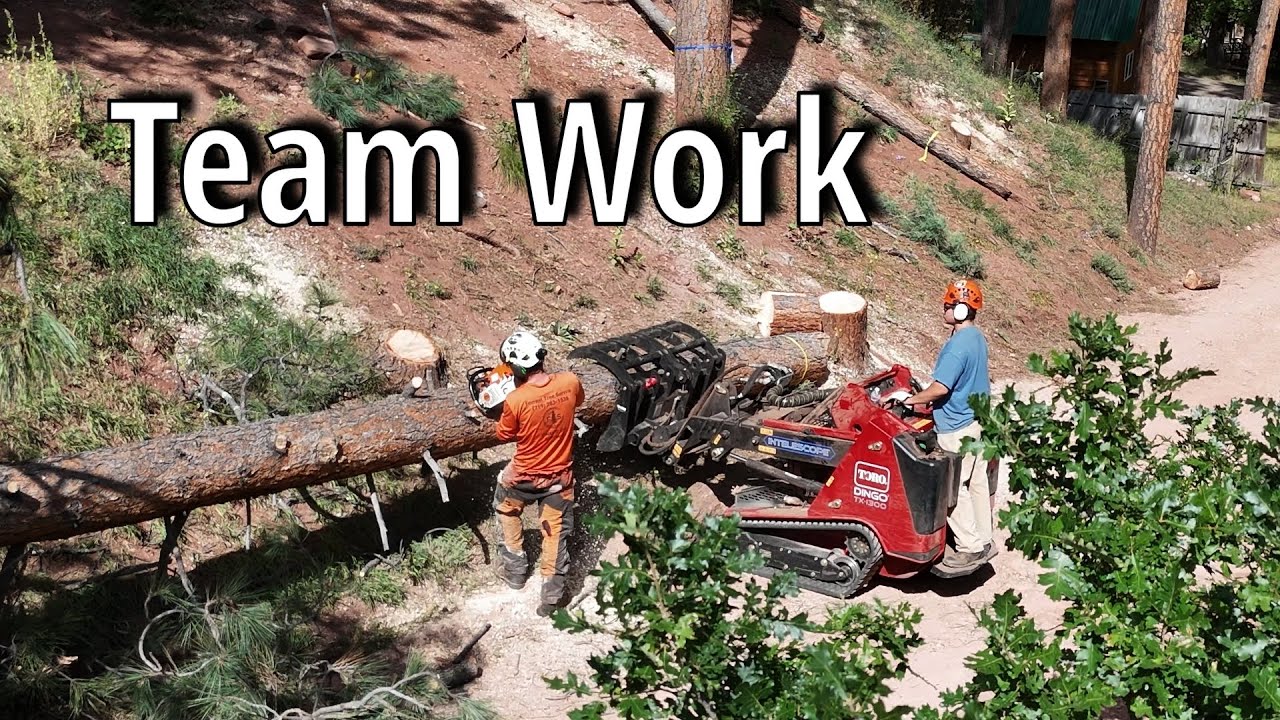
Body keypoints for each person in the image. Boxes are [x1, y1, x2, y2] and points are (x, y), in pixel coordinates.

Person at [491, 330, 585, 616]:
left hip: (522, 478)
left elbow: (503, 434)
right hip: (560, 478)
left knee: (505, 508)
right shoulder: (570, 381)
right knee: (555, 533)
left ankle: (515, 570)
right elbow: (578, 401)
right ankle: (551, 598)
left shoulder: (516, 400)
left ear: (516, 368)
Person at [903, 279, 995, 573]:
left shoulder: (957, 347)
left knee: (953, 489)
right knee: (977, 482)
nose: (943, 308)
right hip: (977, 420)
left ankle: (969, 548)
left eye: (948, 305)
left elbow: (941, 388)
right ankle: (984, 539)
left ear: (961, 310)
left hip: (956, 427)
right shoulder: (977, 338)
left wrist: (910, 399)